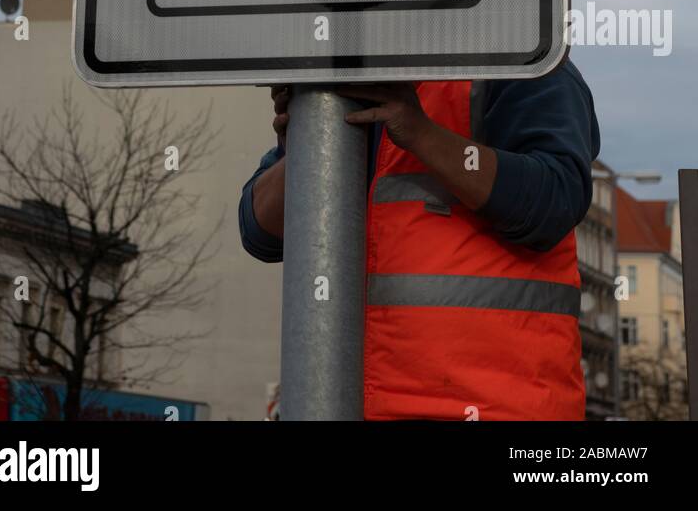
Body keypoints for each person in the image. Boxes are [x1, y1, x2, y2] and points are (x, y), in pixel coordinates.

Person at [239, 63, 600, 421]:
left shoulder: (525, 61)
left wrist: (420, 134)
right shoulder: (351, 79)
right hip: (346, 405)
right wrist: (309, 146)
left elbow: (555, 199)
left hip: (499, 407)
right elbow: (258, 232)